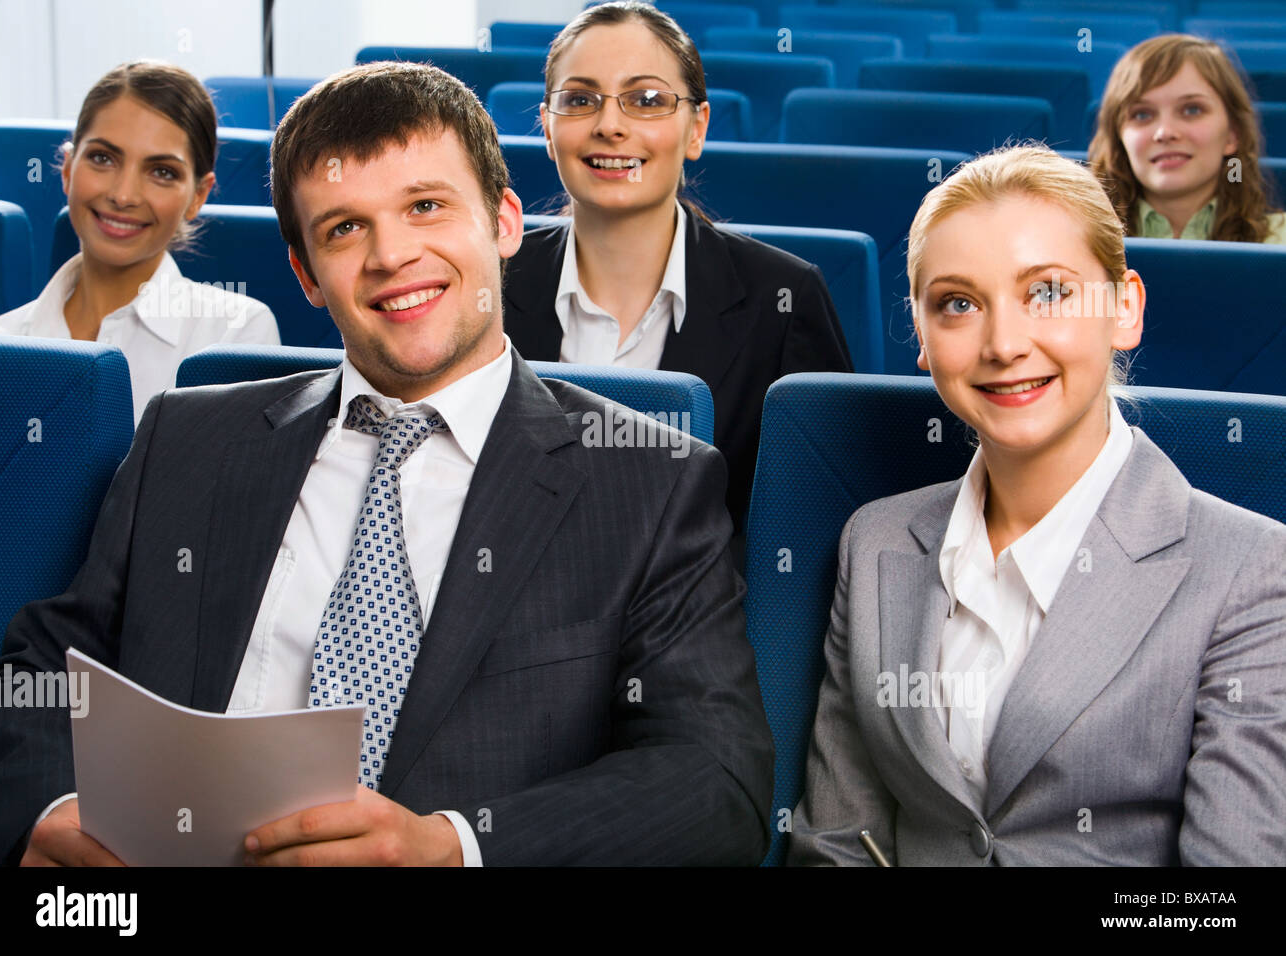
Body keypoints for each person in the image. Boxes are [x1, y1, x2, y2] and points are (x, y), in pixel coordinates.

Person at [0, 61, 774, 867]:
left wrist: (451, 849)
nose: (391, 255)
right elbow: (37, 676)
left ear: (505, 222)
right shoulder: (184, 440)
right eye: (343, 228)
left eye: (426, 207)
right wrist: (47, 810)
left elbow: (716, 781)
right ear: (306, 276)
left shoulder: (651, 480)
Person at [788, 146, 1286, 866]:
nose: (1003, 344)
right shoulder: (876, 541)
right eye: (958, 304)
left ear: (1124, 308)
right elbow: (837, 840)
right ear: (922, 337)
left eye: (1048, 293)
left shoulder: (1251, 569)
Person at [502, 1, 853, 548]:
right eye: (579, 100)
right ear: (547, 127)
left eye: (647, 100)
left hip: (695, 622)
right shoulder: (486, 286)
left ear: (696, 128)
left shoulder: (785, 300)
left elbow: (810, 538)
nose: (610, 125)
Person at [0, 61, 280, 424]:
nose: (124, 195)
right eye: (102, 158)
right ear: (67, 169)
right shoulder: (0, 342)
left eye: (161, 172)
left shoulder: (235, 334)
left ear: (197, 196)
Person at [1089, 33, 1286, 244]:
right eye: (1142, 115)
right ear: (1119, 138)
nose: (1165, 132)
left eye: (1192, 110)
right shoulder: (1078, 240)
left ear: (1232, 134)